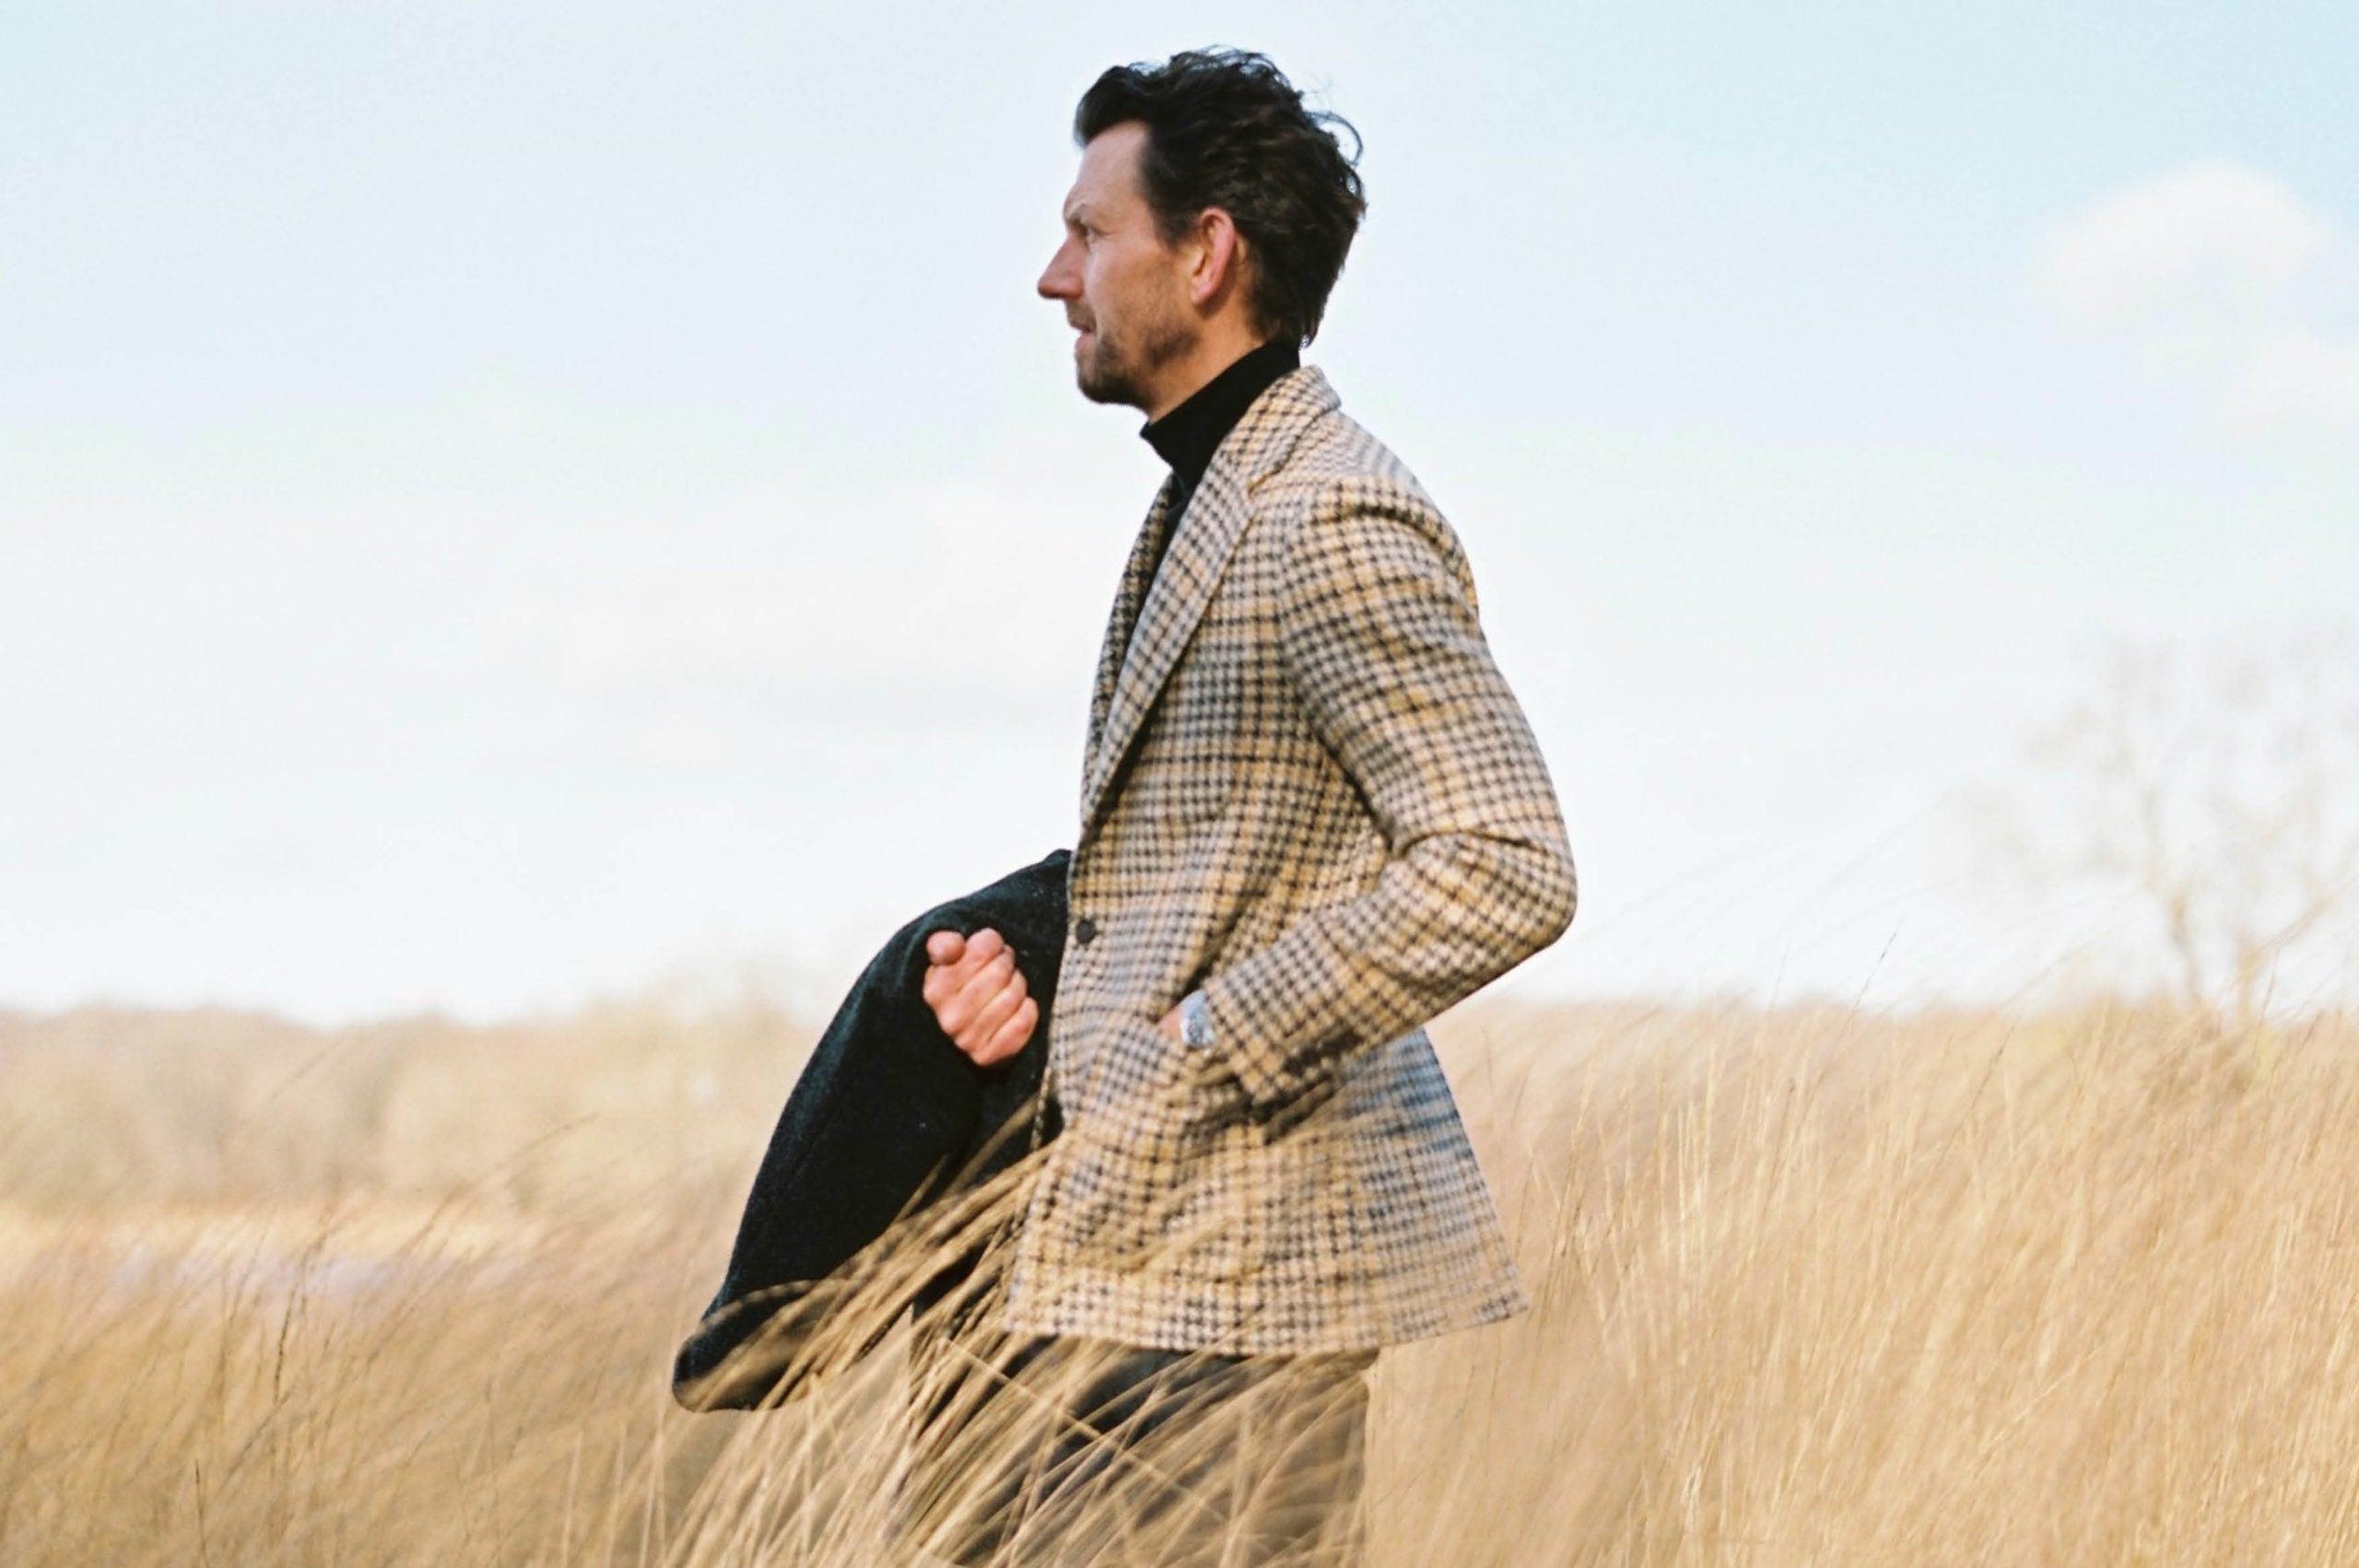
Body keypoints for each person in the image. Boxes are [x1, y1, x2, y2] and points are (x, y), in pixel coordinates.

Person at [900, 44, 1579, 1564]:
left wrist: (1207, 1033)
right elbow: (1217, 856)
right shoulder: (1208, 492)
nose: (1050, 275)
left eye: (1090, 232)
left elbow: (1504, 859)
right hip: (1131, 1273)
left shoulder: (1324, 508)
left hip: (1238, 1299)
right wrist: (1027, 965)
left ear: (1204, 253)